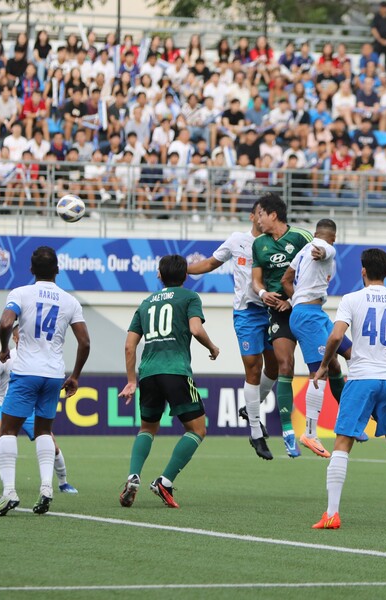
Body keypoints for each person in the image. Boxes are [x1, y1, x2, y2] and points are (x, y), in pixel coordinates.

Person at [311, 248, 386, 530]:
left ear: (363, 271)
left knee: (342, 444)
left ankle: (331, 514)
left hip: (362, 379)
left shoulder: (351, 299)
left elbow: (337, 335)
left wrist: (325, 365)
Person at [0, 247, 90, 516]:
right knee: (44, 431)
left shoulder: (20, 293)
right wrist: (75, 376)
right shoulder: (70, 301)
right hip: (53, 375)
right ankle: (47, 487)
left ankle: (9, 491)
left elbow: (4, 324)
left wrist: (3, 348)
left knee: (8, 431)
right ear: (57, 269)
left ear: (31, 270)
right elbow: (85, 342)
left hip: (26, 371)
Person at [118, 255, 219, 509]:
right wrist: (213, 347)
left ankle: (133, 476)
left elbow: (130, 346)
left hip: (149, 373)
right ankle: (165, 481)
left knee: (147, 429)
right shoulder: (190, 298)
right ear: (185, 276)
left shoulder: (146, 303)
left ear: (160, 276)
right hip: (176, 371)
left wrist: (131, 380)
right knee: (197, 430)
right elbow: (196, 329)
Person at [186, 201, 277, 459]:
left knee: (276, 367)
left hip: (272, 311)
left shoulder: (276, 243)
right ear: (252, 216)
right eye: (259, 212)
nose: (262, 217)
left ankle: (252, 408)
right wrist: (182, 268)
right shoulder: (237, 240)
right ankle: (256, 432)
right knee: (253, 367)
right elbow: (209, 264)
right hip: (246, 312)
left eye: (266, 213)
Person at [0, 326, 78, 495]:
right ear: (15, 338)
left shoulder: (39, 358)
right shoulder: (7, 357)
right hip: (4, 405)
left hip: (29, 409)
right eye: (21, 335)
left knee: (52, 445)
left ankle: (63, 482)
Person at [281, 219, 357, 459]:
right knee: (320, 372)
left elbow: (286, 279)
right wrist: (323, 250)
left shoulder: (303, 250)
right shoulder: (326, 248)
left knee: (350, 354)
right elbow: (324, 249)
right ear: (333, 237)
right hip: (308, 318)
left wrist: (296, 300)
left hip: (315, 313)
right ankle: (310, 434)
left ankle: (351, 415)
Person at [251, 193, 314, 458]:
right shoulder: (259, 244)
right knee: (285, 364)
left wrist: (296, 300)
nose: (257, 219)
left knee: (329, 364)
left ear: (272, 214)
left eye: (260, 214)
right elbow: (257, 280)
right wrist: (263, 293)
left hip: (304, 308)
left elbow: (322, 272)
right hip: (277, 312)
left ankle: (354, 421)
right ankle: (288, 433)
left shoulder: (302, 237)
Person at [370, 2, 386, 82]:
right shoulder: (376, 18)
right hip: (378, 43)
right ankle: (373, 78)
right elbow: (373, 29)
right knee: (374, 61)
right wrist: (380, 40)